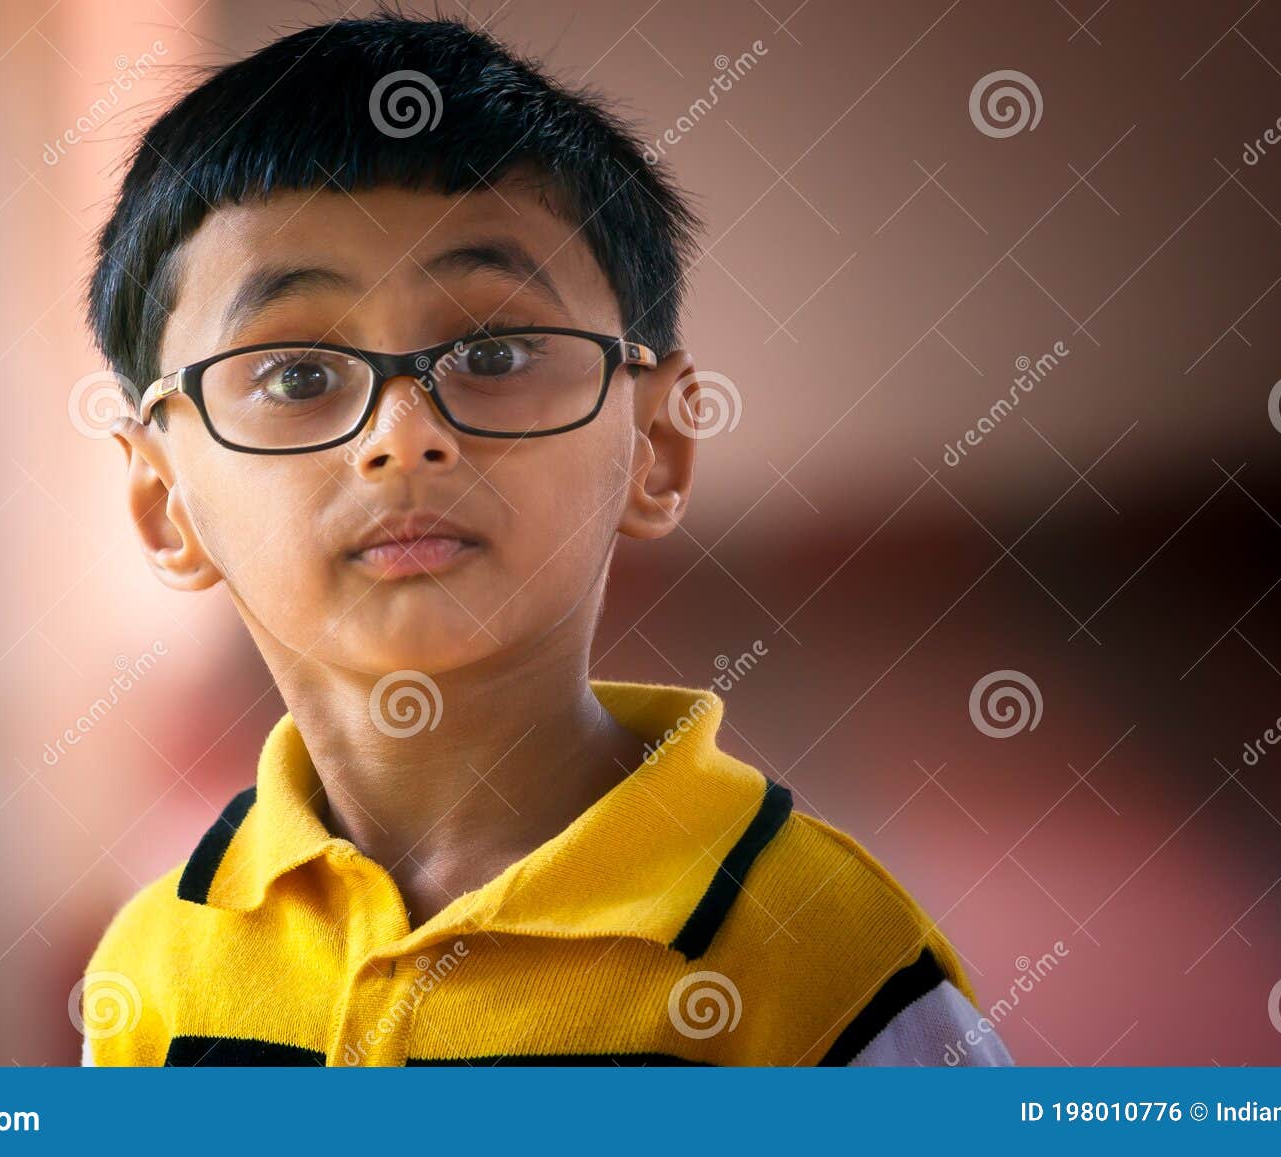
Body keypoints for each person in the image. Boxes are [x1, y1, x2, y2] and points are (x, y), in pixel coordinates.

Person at [77, 10, 1011, 1068]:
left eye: (497, 350)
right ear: (163, 502)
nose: (405, 435)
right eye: (296, 374)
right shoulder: (157, 966)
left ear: (655, 443)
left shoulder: (824, 964)